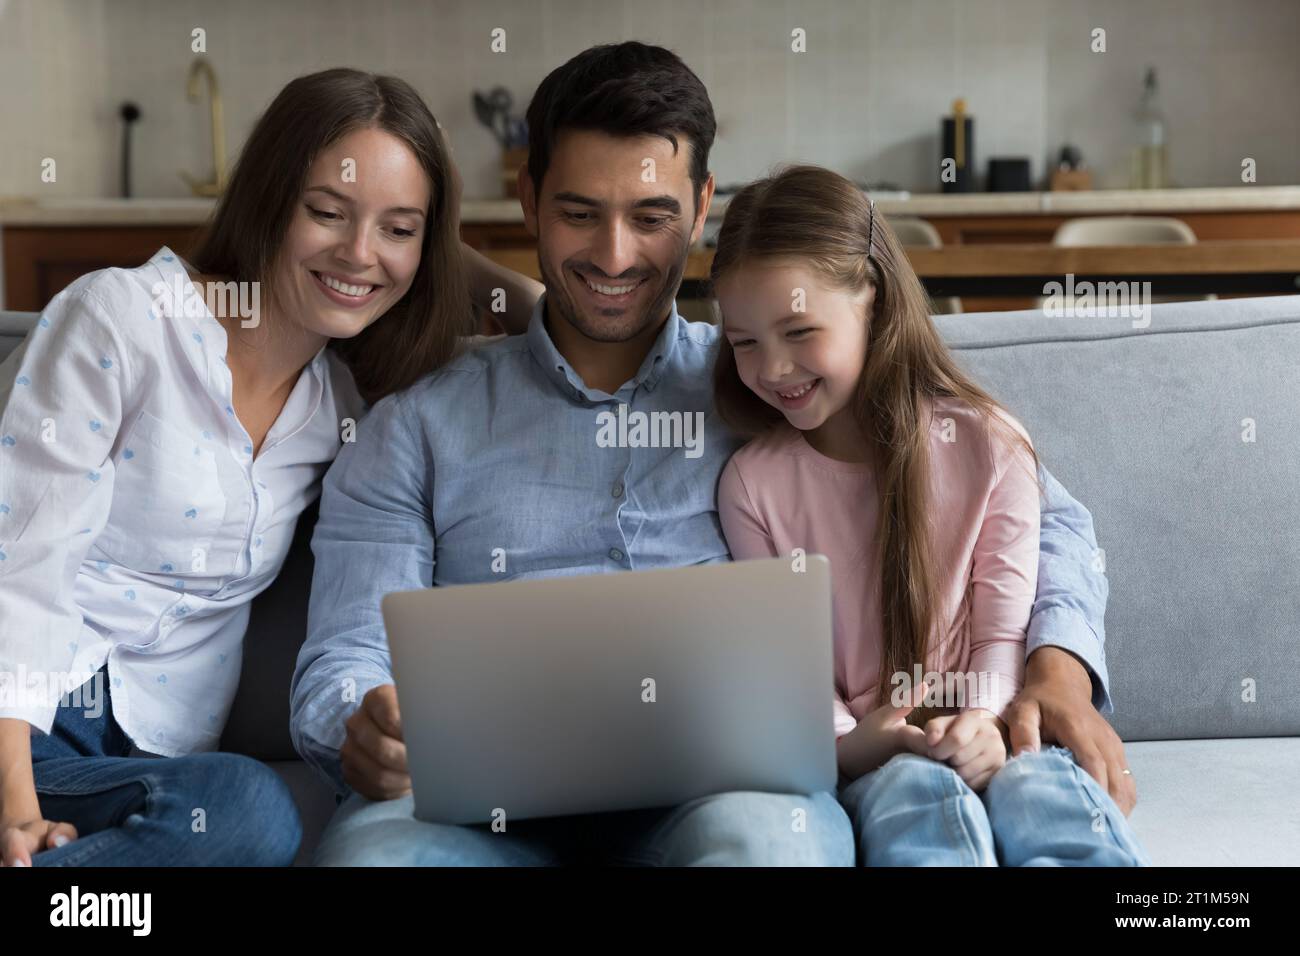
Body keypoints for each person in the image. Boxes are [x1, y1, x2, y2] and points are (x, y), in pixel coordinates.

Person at [292, 42, 1128, 867]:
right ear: (529, 201)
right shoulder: (414, 428)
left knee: (770, 850)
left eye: (651, 218)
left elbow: (1030, 514)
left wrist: (1057, 674)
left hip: (724, 800)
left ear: (700, 209)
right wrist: (360, 722)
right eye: (579, 213)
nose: (614, 256)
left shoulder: (775, 381)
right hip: (472, 816)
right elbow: (345, 653)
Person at [0, 67, 539, 867]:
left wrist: (462, 257)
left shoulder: (347, 402)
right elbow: (22, 566)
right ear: (269, 199)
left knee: (248, 814)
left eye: (398, 228)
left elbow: (546, 329)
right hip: (29, 725)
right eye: (326, 213)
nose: (358, 254)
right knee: (250, 808)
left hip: (151, 764)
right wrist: (13, 808)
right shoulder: (122, 320)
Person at [711, 164, 1151, 865]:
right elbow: (796, 675)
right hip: (878, 762)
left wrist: (983, 724)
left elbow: (1005, 623)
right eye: (744, 343)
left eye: (798, 331)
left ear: (874, 306)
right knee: (917, 801)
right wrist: (859, 744)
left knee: (1047, 795)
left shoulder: (988, 442)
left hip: (1001, 729)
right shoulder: (752, 486)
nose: (773, 369)